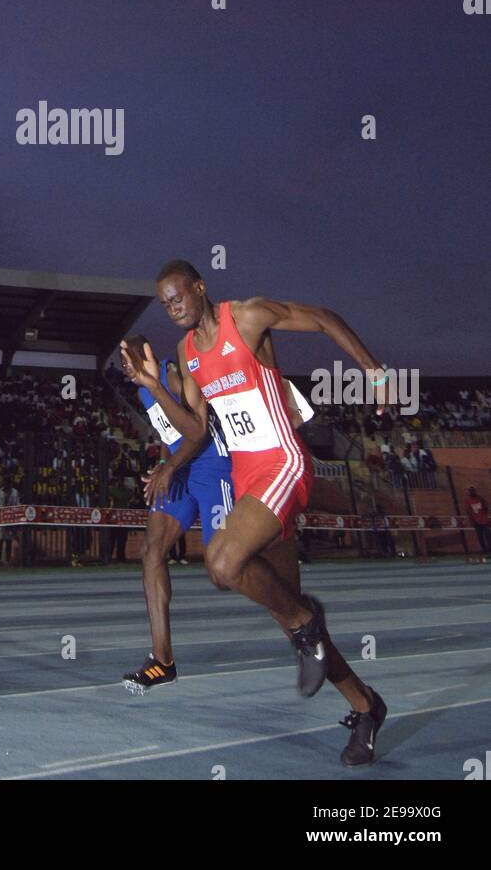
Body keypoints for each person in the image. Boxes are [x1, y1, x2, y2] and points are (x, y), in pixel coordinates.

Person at [129, 259, 389, 767]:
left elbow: (325, 317)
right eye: (165, 303)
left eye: (179, 296)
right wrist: (156, 387)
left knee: (223, 563)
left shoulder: (246, 317)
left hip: (282, 461)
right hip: (247, 475)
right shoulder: (186, 353)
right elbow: (197, 430)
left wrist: (374, 372)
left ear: (200, 288)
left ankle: (309, 626)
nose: (174, 307)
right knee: (287, 614)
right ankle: (365, 705)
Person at [120, 334, 233, 693]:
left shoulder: (171, 377)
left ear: (148, 355)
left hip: (214, 466)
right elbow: (174, 437)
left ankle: (297, 618)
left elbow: (198, 434)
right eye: (121, 359)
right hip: (181, 469)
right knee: (152, 550)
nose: (125, 364)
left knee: (228, 569)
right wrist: (164, 467)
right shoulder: (140, 391)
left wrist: (168, 469)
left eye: (130, 357)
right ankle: (162, 660)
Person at [465, 487, 491, 554]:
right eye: (470, 491)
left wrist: (485, 515)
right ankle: (484, 551)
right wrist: (472, 521)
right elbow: (468, 511)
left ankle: (489, 550)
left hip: (484, 521)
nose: (472, 492)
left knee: (488, 536)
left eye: (473, 491)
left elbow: (486, 507)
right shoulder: (468, 500)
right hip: (476, 522)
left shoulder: (480, 498)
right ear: (469, 492)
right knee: (480, 537)